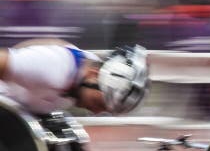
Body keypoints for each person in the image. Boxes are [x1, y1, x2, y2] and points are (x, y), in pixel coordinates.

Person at [0, 39, 149, 115]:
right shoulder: (52, 68)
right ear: (94, 75)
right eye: (99, 103)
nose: (96, 112)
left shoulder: (83, 69)